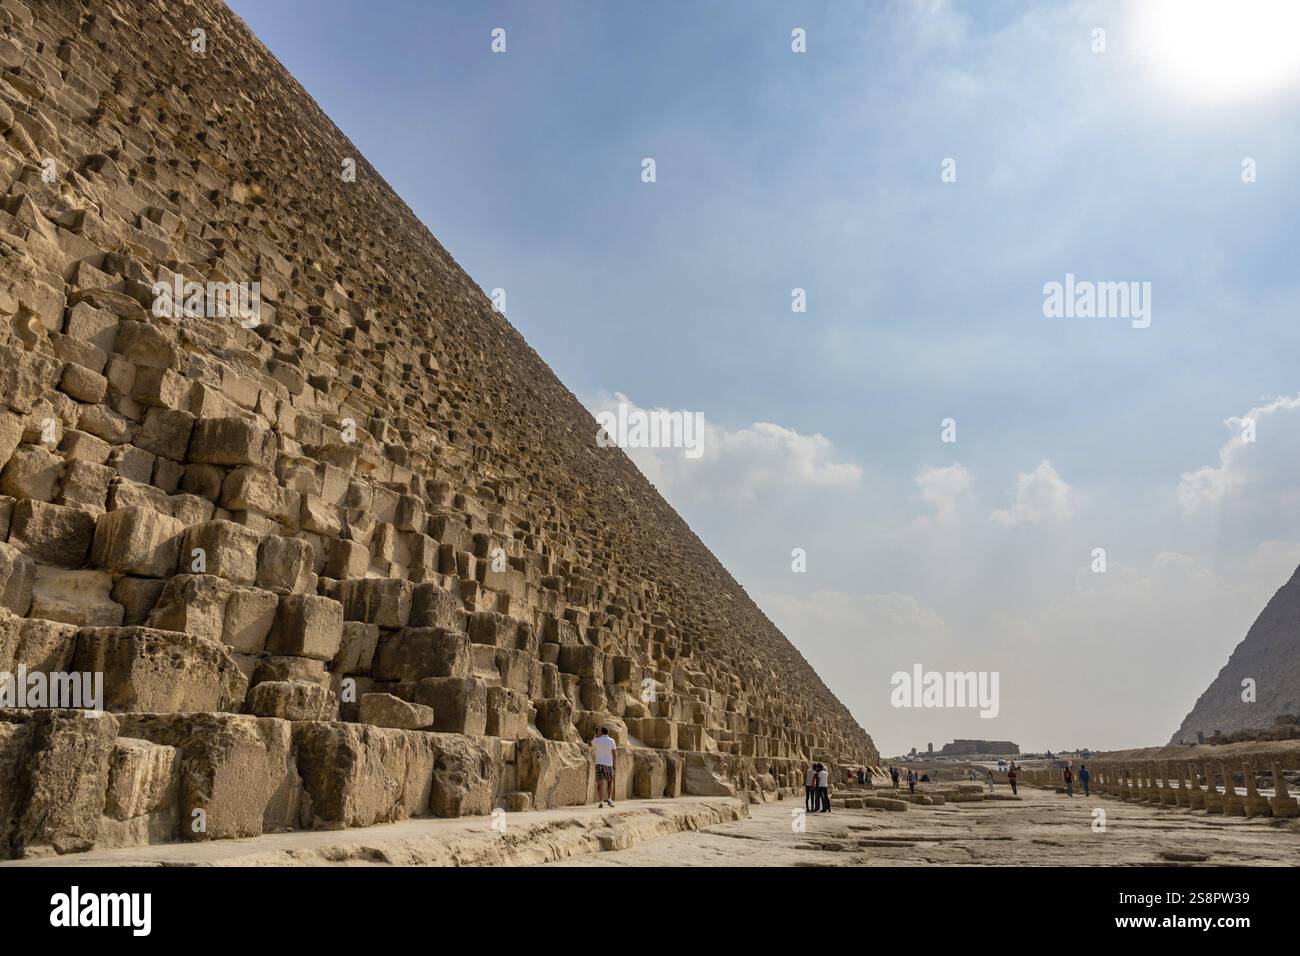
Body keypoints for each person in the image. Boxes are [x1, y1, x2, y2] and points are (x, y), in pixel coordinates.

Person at [592, 727, 617, 807]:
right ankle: (609, 799)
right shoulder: (612, 741)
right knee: (610, 782)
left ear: (601, 732)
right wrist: (614, 765)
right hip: (609, 764)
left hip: (599, 764)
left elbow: (591, 744)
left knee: (600, 783)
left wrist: (595, 735)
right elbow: (614, 754)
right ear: (607, 732)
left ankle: (600, 802)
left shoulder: (597, 740)